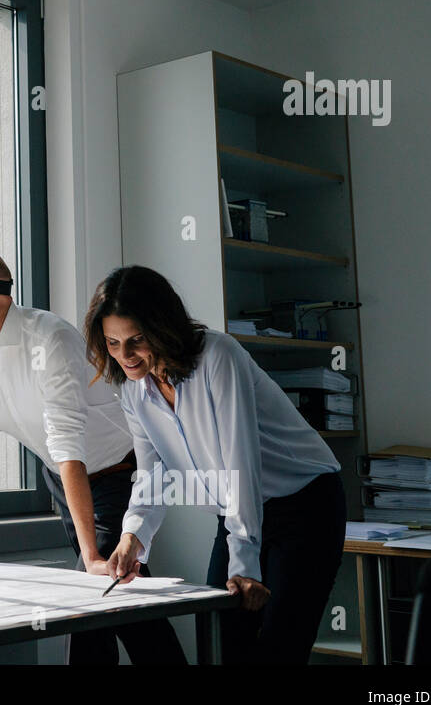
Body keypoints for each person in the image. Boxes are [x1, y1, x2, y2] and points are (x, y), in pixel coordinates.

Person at [0, 246, 187, 665]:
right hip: (64, 479)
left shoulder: (48, 337)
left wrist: (90, 554)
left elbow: (67, 440)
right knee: (120, 603)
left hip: (116, 472)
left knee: (92, 596)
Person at [85, 265, 346, 665]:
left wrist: (245, 566)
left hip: (304, 504)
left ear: (161, 327)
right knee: (221, 642)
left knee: (279, 650)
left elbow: (240, 461)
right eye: (113, 343)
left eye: (136, 340)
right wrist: (131, 536)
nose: (125, 356)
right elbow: (153, 472)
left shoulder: (218, 356)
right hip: (236, 510)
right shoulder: (135, 391)